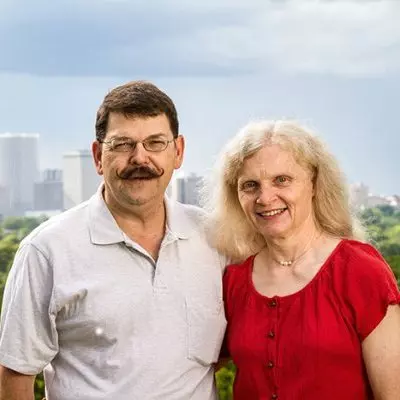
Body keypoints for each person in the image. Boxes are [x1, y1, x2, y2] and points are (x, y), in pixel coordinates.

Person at [0, 81, 227, 400]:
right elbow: (15, 375)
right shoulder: (47, 250)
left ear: (178, 152)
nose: (140, 158)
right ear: (97, 156)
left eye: (155, 143)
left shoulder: (214, 238)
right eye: (122, 145)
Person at [202, 120, 400, 399]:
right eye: (250, 185)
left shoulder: (360, 271)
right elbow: (193, 367)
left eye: (281, 180)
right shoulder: (234, 281)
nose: (265, 197)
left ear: (315, 184)